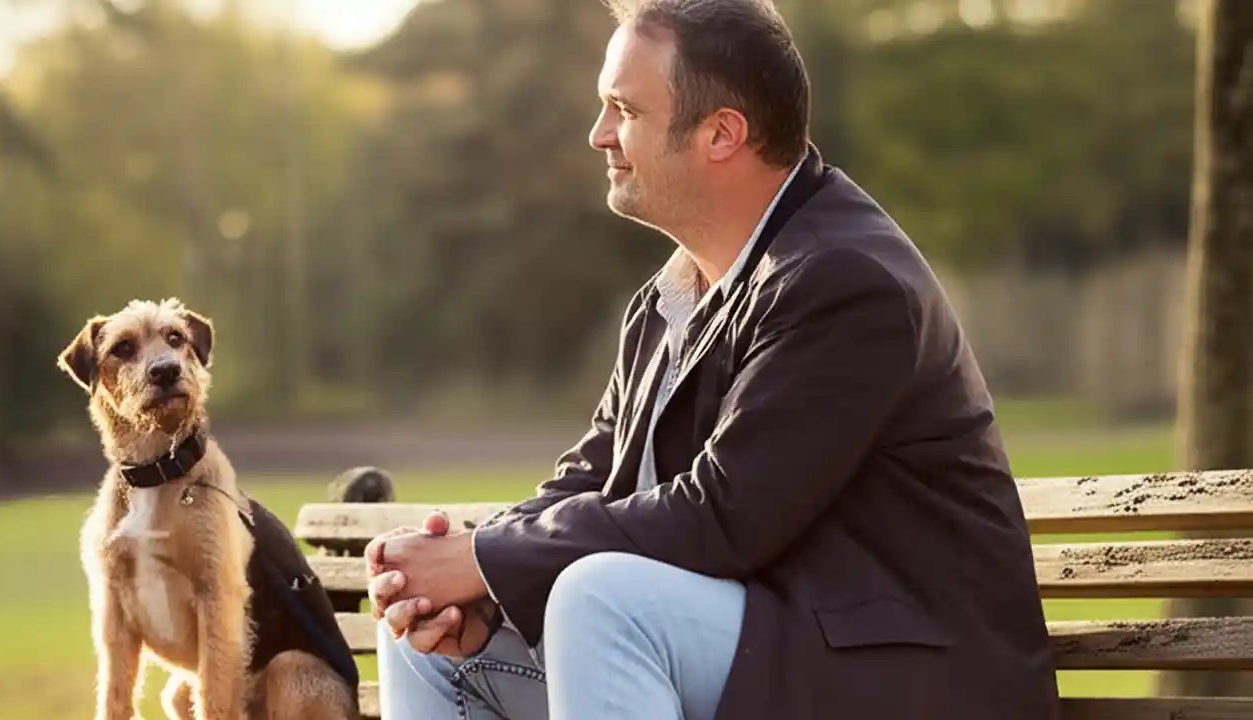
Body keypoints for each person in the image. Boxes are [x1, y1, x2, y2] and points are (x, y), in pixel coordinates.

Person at [366, 0, 1061, 718]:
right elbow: (591, 480)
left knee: (598, 598)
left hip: (909, 678)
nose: (599, 134)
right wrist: (463, 571)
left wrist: (486, 561)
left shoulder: (845, 282)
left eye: (624, 109)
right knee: (422, 633)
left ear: (721, 134)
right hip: (775, 649)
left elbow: (727, 514)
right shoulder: (671, 295)